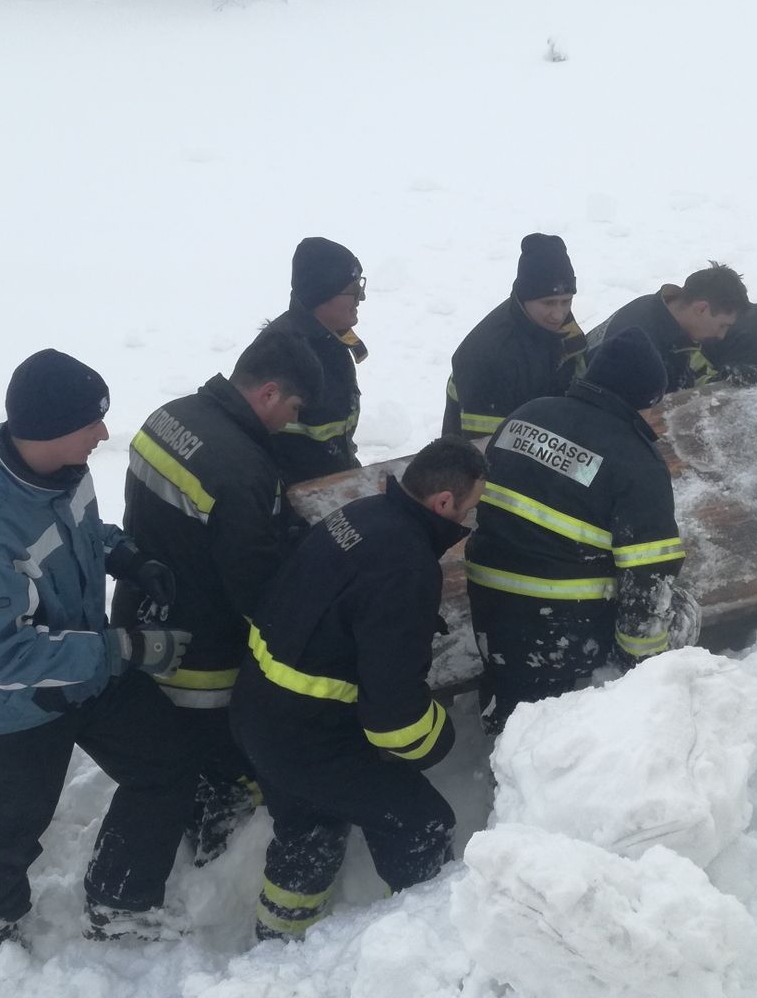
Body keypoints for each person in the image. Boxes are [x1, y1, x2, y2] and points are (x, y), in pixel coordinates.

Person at [0, 349, 196, 944]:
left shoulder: (60, 468)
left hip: (80, 664)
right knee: (9, 828)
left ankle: (119, 900)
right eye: (92, 423)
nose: (104, 433)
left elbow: (75, 530)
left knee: (166, 759)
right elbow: (3, 657)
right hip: (5, 705)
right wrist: (123, 648)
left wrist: (123, 555)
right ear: (49, 430)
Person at [230, 438, 488, 941]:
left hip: (257, 710)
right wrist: (442, 740)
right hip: (308, 739)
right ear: (442, 503)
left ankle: (277, 944)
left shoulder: (364, 514)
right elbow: (394, 720)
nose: (468, 521)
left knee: (310, 826)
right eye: (470, 508)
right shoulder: (407, 566)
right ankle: (413, 945)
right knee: (422, 823)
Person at [112, 330, 323, 867]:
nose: (290, 422)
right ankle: (213, 852)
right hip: (201, 648)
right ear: (270, 393)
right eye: (294, 408)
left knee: (167, 738)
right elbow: (255, 582)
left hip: (145, 609)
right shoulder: (240, 468)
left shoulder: (170, 415)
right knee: (216, 760)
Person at [464, 327, 691, 731]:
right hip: (562, 628)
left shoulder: (526, 414)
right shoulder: (638, 463)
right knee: (685, 610)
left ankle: (504, 719)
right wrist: (643, 663)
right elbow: (649, 574)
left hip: (490, 608)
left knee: (515, 709)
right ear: (644, 397)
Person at [442, 233, 590, 439]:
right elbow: (486, 448)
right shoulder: (490, 355)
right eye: (548, 303)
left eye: (566, 301)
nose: (558, 314)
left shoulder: (554, 323)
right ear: (524, 297)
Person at [264, 237, 369, 485]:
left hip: (329, 492)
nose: (362, 297)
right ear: (323, 294)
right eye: (354, 290)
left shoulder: (331, 342)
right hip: (295, 507)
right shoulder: (282, 359)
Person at [586, 263, 750, 394]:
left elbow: (691, 368)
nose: (721, 335)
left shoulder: (668, 315)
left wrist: (722, 379)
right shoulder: (640, 344)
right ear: (701, 309)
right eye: (723, 325)